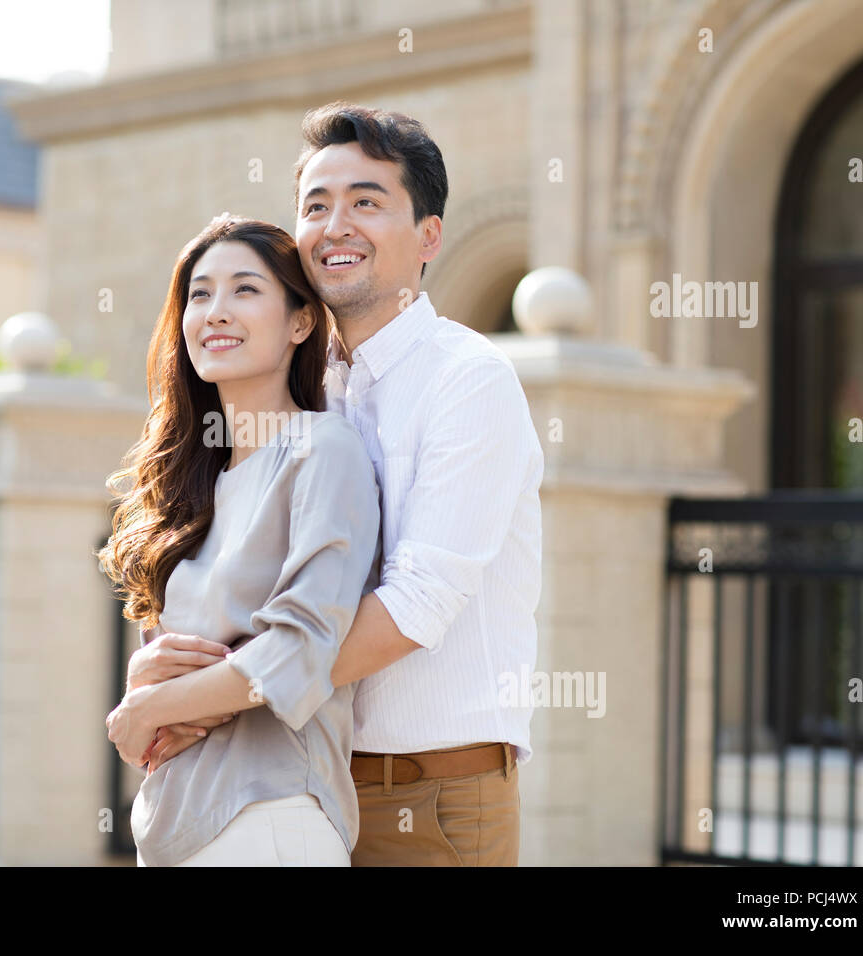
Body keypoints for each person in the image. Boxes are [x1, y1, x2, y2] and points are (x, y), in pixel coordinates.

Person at [145, 102, 544, 866]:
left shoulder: (468, 381)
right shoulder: (304, 389)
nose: (336, 225)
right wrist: (165, 671)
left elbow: (416, 600)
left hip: (429, 794)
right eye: (316, 206)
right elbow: (237, 573)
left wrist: (204, 697)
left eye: (367, 202)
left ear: (428, 236)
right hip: (295, 781)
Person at [100, 213, 382, 866]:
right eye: (200, 294)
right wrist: (145, 688)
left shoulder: (322, 451)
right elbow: (173, 667)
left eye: (245, 290)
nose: (216, 312)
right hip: (172, 825)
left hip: (270, 818)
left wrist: (143, 712)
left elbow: (303, 646)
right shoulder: (190, 486)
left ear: (301, 321)